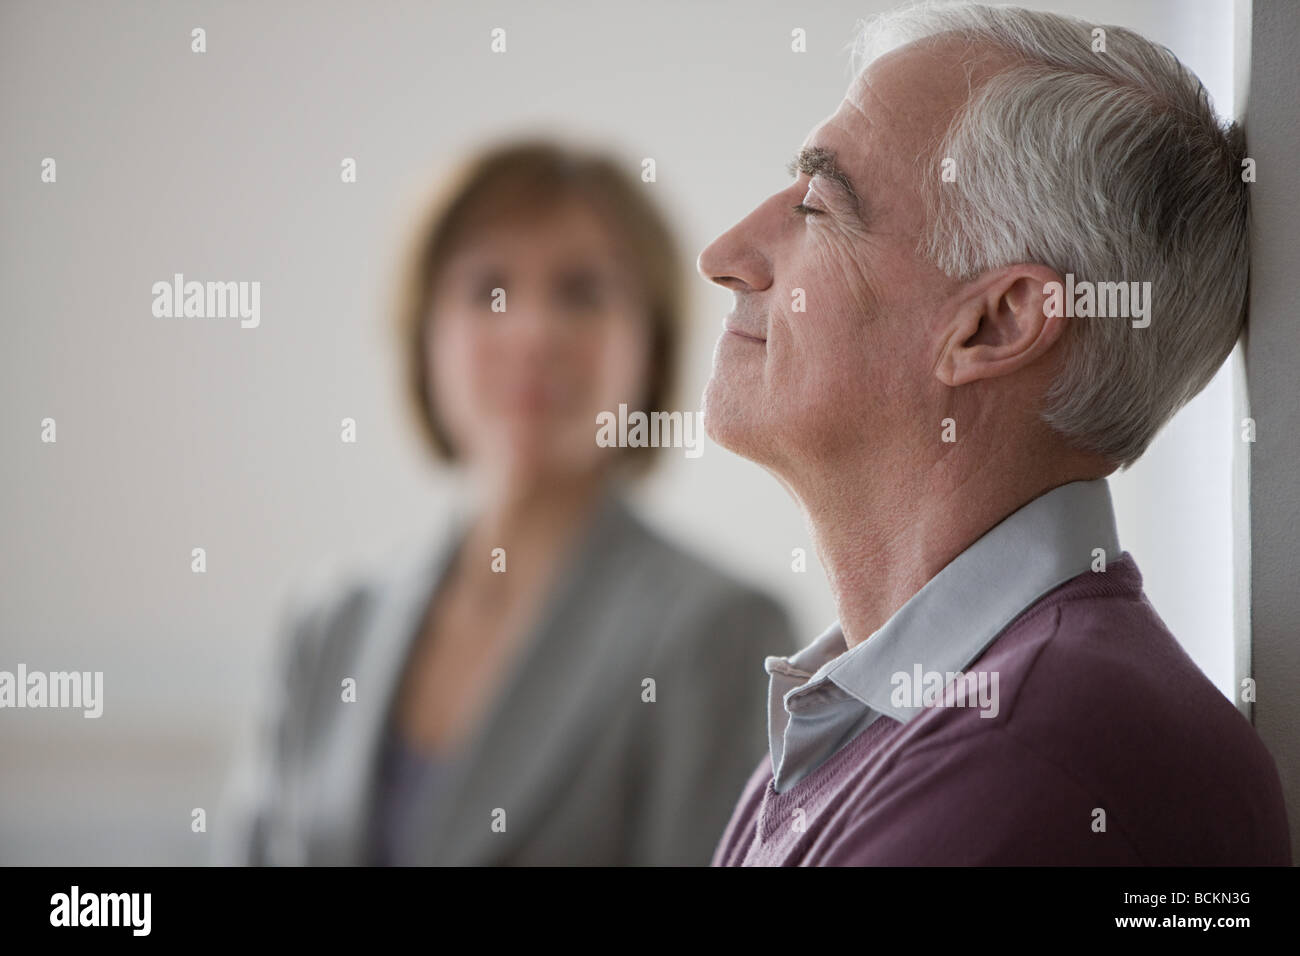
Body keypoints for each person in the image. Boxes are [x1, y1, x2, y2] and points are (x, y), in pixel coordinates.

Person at [699, 1, 1290, 865]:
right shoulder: (885, 720)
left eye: (820, 206)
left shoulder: (1046, 752)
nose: (723, 253)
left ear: (996, 324)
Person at [214, 138, 797, 866]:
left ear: (651, 345)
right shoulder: (327, 624)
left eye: (581, 292)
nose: (530, 334)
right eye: (486, 288)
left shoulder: (720, 633)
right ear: (423, 335)